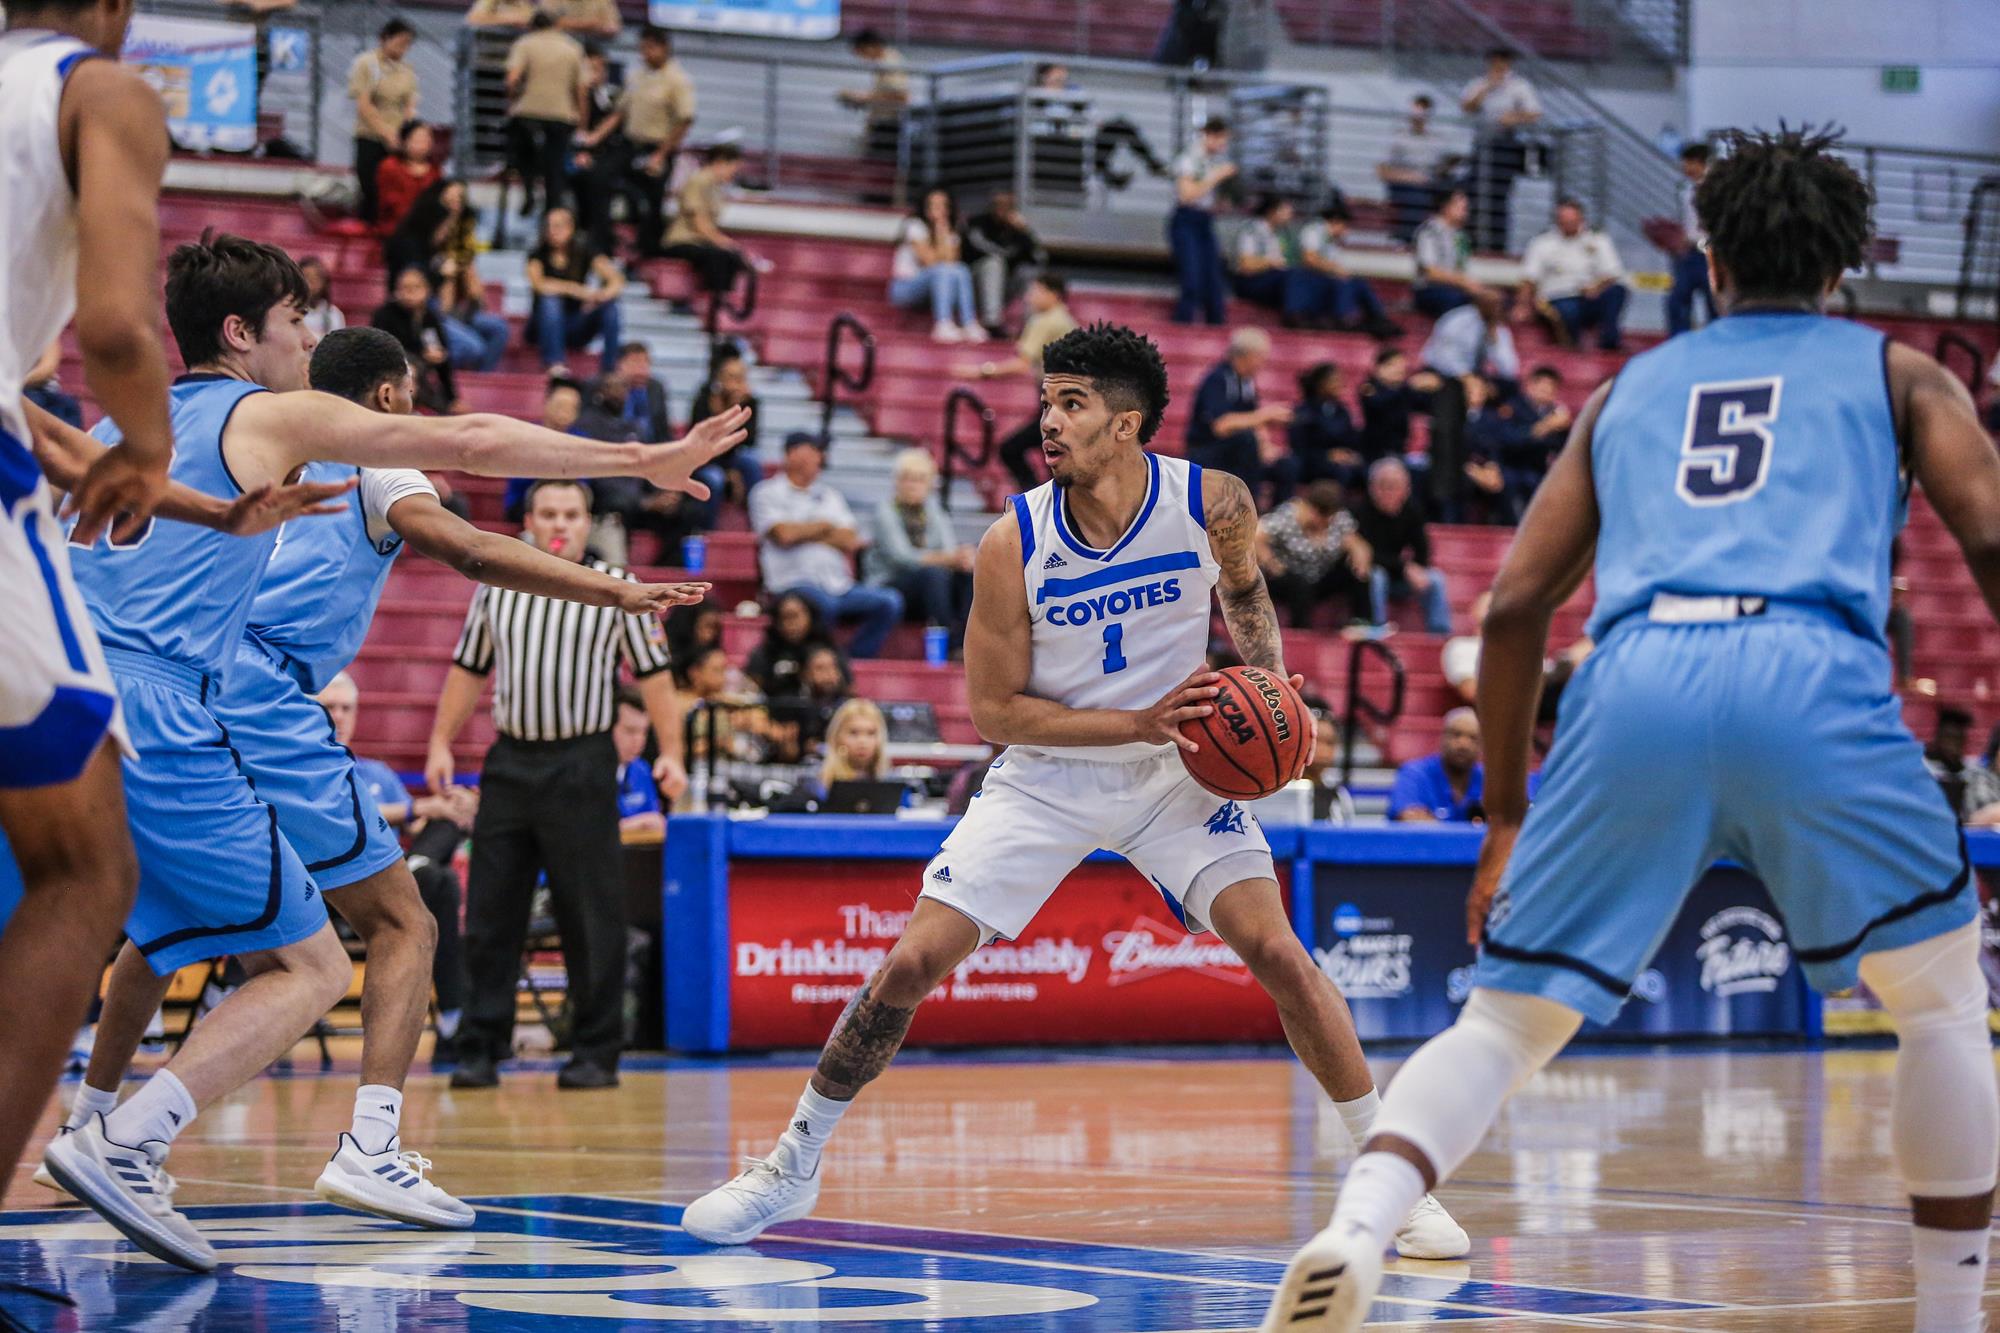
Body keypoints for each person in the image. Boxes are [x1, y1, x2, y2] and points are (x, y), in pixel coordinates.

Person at [1266, 127, 2000, 1332]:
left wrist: (1505, 816)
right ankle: (1948, 1314)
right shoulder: (1901, 374)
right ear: (1841, 267)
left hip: (1635, 671)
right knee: (1934, 1001)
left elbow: (1513, 607)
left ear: (1708, 262)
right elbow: (1989, 539)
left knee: (1502, 1022)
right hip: (1806, 665)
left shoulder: (1625, 391)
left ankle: (1357, 1226)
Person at [680, 321, 1467, 1259]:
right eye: (1046, 400)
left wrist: (1269, 683)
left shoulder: (1212, 500)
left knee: (1281, 954)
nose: (1047, 420)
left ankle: (1391, 1180)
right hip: (1048, 776)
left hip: (1177, 772)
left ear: (1126, 424)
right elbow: (995, 714)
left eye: (1071, 403)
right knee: (909, 965)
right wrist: (1138, 722)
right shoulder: (1010, 541)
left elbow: (1246, 591)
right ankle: (791, 1165)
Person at [33, 236, 744, 1271]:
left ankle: (93, 1116)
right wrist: (640, 463)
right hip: (187, 700)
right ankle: (140, 1139)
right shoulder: (272, 416)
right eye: (294, 322)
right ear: (241, 335)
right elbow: (472, 447)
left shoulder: (118, 428)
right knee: (329, 956)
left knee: (162, 928)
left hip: (61, 700)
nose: (307, 339)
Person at [0, 0, 318, 1223]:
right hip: (168, 691)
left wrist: (199, 506)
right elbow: (117, 327)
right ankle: (111, 1142)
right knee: (87, 875)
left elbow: (50, 432)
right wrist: (143, 441)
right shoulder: (101, 89)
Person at [428, 478, 695, 1092]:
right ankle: (481, 1045)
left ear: (587, 522)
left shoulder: (617, 585)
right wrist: (441, 740)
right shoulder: (496, 584)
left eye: (571, 514)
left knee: (591, 911)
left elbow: (655, 675)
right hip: (510, 761)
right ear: (528, 520)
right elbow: (469, 667)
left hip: (582, 761)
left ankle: (596, 1050)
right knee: (491, 909)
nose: (559, 524)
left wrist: (673, 753)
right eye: (548, 513)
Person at [316, 671, 477, 1068]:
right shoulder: (310, 771)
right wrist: (417, 807)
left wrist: (456, 807)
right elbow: (341, 817)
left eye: (346, 708)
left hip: (393, 882)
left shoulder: (377, 773)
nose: (339, 716)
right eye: (330, 707)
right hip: (333, 891)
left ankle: (454, 1017)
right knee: (433, 875)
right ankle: (454, 1018)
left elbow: (419, 825)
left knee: (441, 852)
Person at [749, 433, 904, 659]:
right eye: (813, 450)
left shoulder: (831, 495)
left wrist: (803, 532)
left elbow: (849, 539)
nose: (820, 456)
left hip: (838, 585)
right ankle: (818, 660)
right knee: (823, 605)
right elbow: (783, 535)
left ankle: (850, 660)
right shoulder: (767, 492)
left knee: (889, 602)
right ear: (792, 454)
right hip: (790, 583)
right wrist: (824, 526)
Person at [966, 273, 1078, 492]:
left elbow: (1022, 364)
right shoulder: (1064, 319)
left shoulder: (1046, 321)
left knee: (1011, 449)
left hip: (1057, 401)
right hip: (1066, 402)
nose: (1029, 297)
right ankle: (1049, 497)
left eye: (1036, 291)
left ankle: (1036, 497)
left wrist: (982, 372)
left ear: (1053, 294)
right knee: (1053, 455)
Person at [1420, 288, 1520, 520]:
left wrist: (1493, 337)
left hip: (1476, 379)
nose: (1496, 309)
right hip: (1445, 376)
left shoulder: (1498, 329)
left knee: (1510, 388)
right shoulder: (1457, 320)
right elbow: (1441, 358)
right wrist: (1466, 379)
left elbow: (1509, 369)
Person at [864, 448, 976, 640]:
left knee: (967, 574)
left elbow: (949, 549)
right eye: (906, 479)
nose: (912, 486)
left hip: (932, 585)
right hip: (890, 584)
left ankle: (968, 641)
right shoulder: (885, 512)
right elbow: (902, 557)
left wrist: (962, 559)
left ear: (929, 484)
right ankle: (948, 642)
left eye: (919, 480)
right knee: (933, 574)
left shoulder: (934, 511)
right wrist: (948, 559)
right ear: (897, 482)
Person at [1186, 327, 1294, 503]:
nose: (1264, 362)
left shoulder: (1247, 382)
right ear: (1247, 355)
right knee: (1246, 441)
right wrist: (1266, 415)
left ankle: (1277, 514)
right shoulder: (1218, 379)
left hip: (1239, 450)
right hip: (1207, 449)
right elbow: (1221, 426)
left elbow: (1253, 421)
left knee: (1286, 464)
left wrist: (1266, 447)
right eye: (1261, 356)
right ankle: (1246, 507)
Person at [615, 25, 696, 258]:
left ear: (664, 48)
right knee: (607, 180)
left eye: (650, 48)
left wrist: (661, 154)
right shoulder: (637, 75)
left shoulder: (677, 80)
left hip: (657, 149)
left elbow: (685, 119)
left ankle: (648, 253)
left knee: (652, 203)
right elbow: (620, 112)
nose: (645, 54)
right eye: (642, 48)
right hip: (630, 145)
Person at [1354, 456, 1451, 635]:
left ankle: (1439, 635)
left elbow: (1422, 549)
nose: (1389, 492)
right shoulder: (1360, 513)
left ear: (1406, 489)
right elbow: (1368, 555)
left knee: (1436, 578)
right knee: (1376, 576)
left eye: (1395, 486)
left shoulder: (1413, 511)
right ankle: (1378, 629)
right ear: (1372, 488)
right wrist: (1404, 567)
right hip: (1374, 573)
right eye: (1383, 486)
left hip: (1400, 576)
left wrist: (1417, 569)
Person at [1517, 199, 1629, 351]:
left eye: (1572, 220)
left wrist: (1596, 287)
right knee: (1568, 311)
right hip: (1557, 298)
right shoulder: (1542, 243)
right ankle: (1572, 347)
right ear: (1557, 221)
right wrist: (1522, 306)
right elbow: (1529, 277)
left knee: (1617, 291)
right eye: (1564, 220)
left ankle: (1609, 343)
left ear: (1582, 219)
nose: (1568, 224)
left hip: (1590, 296)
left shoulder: (1598, 240)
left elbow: (1613, 272)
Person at [1457, 47, 1540, 253]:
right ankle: (1474, 242)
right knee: (1475, 193)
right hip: (1482, 145)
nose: (1499, 65)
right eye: (1495, 61)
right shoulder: (1479, 83)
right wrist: (1487, 88)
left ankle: (1497, 246)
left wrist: (1514, 117)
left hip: (1505, 145)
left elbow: (1534, 113)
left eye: (1503, 61)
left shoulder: (1519, 86)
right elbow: (1467, 107)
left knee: (1498, 197)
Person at [504, 12, 586, 218]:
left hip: (527, 112)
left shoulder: (525, 44)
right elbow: (581, 89)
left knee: (523, 157)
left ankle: (529, 190)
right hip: (562, 115)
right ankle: (552, 210)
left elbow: (511, 80)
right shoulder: (572, 47)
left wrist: (513, 102)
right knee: (555, 168)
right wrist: (582, 122)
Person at [1257, 480, 1371, 628]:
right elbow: (1256, 537)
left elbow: (1358, 545)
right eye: (1320, 515)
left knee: (1358, 574)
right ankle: (1301, 629)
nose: (1324, 522)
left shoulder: (1339, 519)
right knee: (1299, 585)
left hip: (1319, 577)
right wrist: (1272, 563)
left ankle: (1362, 623)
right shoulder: (1287, 517)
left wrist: (1360, 559)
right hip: (1288, 577)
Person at [527, 205, 625, 376]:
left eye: (558, 226)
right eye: (549, 226)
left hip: (574, 324)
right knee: (550, 301)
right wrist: (576, 290)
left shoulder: (584, 250)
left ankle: (610, 369)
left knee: (610, 307)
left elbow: (616, 280)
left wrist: (600, 296)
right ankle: (555, 364)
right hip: (541, 327)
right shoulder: (537, 254)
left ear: (571, 228)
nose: (552, 231)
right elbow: (539, 285)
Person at [347, 18, 420, 226]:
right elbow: (364, 105)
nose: (403, 48)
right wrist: (386, 133)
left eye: (407, 44)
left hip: (397, 141)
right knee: (370, 189)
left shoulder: (407, 70)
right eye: (400, 42)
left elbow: (410, 105)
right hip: (370, 136)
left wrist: (406, 134)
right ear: (385, 38)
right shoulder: (366, 63)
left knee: (393, 192)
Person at [890, 189, 983, 344]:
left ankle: (969, 323)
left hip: (933, 288)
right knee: (942, 270)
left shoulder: (950, 230)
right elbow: (931, 262)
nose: (940, 210)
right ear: (925, 207)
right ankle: (943, 323)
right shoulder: (914, 225)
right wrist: (941, 235)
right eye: (935, 205)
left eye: (944, 206)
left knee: (961, 269)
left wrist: (942, 230)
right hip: (905, 288)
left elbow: (952, 262)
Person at [661, 143, 750, 303]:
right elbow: (698, 222)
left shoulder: (716, 187)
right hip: (683, 240)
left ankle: (720, 300)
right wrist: (723, 242)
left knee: (730, 257)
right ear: (720, 162)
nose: (734, 174)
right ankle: (708, 301)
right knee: (718, 255)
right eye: (733, 168)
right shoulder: (699, 181)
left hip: (702, 242)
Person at [1298, 200, 1400, 337]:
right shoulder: (1313, 230)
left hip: (1323, 278)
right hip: (1306, 279)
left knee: (1358, 282)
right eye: (1345, 226)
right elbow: (1309, 259)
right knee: (1345, 282)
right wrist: (1334, 270)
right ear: (1336, 221)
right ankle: (1343, 318)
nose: (1346, 231)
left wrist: (1337, 271)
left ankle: (1378, 318)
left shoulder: (1331, 240)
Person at [1169, 117, 1235, 325]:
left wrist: (1224, 205)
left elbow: (1205, 199)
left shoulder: (1211, 161)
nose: (1224, 146)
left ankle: (1216, 325)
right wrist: (1216, 176)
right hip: (1186, 221)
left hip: (1205, 220)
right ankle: (1183, 324)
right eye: (1222, 140)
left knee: (1213, 279)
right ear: (1210, 136)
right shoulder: (1189, 159)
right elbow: (1186, 196)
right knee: (1192, 277)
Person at [372, 266, 461, 413]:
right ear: (396, 290)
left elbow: (443, 360)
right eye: (405, 287)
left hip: (423, 377)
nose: (410, 292)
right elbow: (383, 350)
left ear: (427, 290)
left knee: (448, 409)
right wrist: (422, 354)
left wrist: (452, 398)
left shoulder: (430, 318)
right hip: (393, 374)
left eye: (416, 287)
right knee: (410, 372)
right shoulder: (384, 314)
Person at [686, 345, 765, 510]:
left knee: (751, 460)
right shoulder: (704, 400)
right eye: (732, 378)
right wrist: (727, 471)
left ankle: (757, 514)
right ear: (720, 379)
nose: (736, 384)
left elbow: (748, 440)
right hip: (705, 459)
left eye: (741, 378)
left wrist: (735, 409)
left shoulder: (750, 402)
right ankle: (706, 524)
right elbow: (697, 441)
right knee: (715, 478)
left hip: (733, 458)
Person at [1232, 195, 1328, 330]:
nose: (1290, 216)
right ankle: (1293, 316)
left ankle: (1317, 316)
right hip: (1251, 281)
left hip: (1275, 280)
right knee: (1293, 275)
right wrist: (1271, 262)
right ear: (1272, 211)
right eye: (1286, 212)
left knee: (1308, 277)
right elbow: (1246, 265)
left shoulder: (1281, 234)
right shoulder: (1251, 230)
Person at [962, 192, 1045, 336]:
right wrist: (1004, 255)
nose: (1002, 209)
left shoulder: (1017, 230)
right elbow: (977, 250)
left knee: (1028, 272)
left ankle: (1029, 327)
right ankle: (992, 321)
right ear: (991, 207)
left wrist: (1025, 232)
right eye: (998, 205)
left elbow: (1039, 258)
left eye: (1008, 206)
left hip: (1004, 289)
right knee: (994, 263)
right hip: (974, 287)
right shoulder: (977, 223)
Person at [1387, 708, 1483, 821]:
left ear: (1481, 745)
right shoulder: (1415, 773)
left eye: (1473, 738)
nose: (1463, 744)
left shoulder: (1488, 779)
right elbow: (1409, 818)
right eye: (1456, 735)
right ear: (1442, 737)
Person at [746, 589, 841, 699]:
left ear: (810, 616)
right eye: (785, 617)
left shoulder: (827, 651)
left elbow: (847, 692)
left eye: (795, 616)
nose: (791, 624)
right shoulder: (763, 654)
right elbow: (751, 694)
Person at [1356, 346, 1440, 467]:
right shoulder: (1368, 387)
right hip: (1375, 454)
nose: (1399, 369)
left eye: (1401, 365)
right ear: (1378, 368)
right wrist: (1410, 384)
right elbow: (1378, 403)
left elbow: (1425, 405)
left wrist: (1435, 389)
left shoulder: (1403, 391)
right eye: (1393, 365)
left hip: (1399, 451)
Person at [1288, 362, 1365, 489]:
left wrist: (1351, 455)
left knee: (1367, 471)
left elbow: (1351, 439)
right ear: (1320, 384)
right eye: (1334, 380)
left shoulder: (1342, 411)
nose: (1339, 384)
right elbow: (1299, 447)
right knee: (1342, 473)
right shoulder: (1304, 411)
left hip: (1341, 462)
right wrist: (1327, 455)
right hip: (1313, 464)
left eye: (1340, 380)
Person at [1378, 94, 1445, 241]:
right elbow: (1382, 171)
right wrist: (1413, 178)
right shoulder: (1397, 137)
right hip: (1404, 186)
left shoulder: (1437, 140)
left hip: (1431, 185)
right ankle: (1410, 239)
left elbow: (1440, 169)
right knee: (1417, 197)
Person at [838, 28, 908, 159]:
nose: (862, 58)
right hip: (884, 122)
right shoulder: (886, 59)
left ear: (870, 46)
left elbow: (900, 96)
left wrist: (861, 98)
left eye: (862, 52)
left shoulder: (889, 64)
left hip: (889, 124)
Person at [1667, 142, 1714, 337]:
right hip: (1689, 252)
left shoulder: (1716, 188)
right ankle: (1680, 341)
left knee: (1713, 302)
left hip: (1710, 251)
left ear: (1699, 163)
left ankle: (1717, 342)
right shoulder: (1685, 190)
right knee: (1677, 301)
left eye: (1688, 163)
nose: (1685, 168)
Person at [1411, 190, 1483, 317]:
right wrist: (1463, 282)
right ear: (1445, 207)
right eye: (1461, 207)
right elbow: (1430, 272)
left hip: (1457, 288)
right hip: (1430, 290)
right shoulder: (1429, 231)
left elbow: (1462, 269)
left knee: (1492, 300)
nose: (1466, 211)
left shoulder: (1461, 236)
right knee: (1462, 302)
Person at [1925, 707, 2000, 826]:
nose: (1953, 746)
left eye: (1959, 739)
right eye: (1949, 738)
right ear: (1938, 737)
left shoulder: (1968, 770)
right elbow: (1984, 817)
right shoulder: (1923, 769)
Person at [613, 686, 666, 836]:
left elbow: (656, 821)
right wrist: (638, 824)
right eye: (630, 731)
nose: (639, 740)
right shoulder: (588, 773)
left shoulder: (641, 769)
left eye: (644, 732)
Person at [374, 119, 439, 238]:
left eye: (426, 140)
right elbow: (391, 202)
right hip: (395, 231)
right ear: (404, 141)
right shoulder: (390, 166)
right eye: (417, 140)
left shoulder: (435, 171)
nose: (422, 145)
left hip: (428, 232)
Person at [298, 255, 347, 339]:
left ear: (325, 283)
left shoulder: (333, 314)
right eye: (307, 277)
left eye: (316, 278)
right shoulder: (290, 313)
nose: (312, 284)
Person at [541, 0, 621, 37]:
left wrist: (602, 27)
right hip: (561, 41)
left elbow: (614, 27)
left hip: (595, 42)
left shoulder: (603, 1)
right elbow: (543, 22)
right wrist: (589, 24)